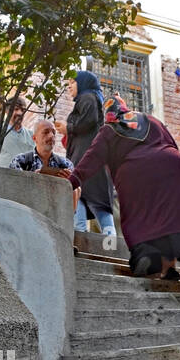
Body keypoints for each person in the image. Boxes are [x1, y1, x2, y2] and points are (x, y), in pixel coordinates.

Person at [70, 94, 180, 279]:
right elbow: (172, 144)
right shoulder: (151, 119)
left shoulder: (109, 130)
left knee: (140, 219)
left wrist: (72, 181)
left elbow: (92, 158)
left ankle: (146, 256)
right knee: (169, 219)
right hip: (172, 167)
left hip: (135, 174)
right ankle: (169, 268)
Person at [66, 70, 116, 237]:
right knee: (98, 206)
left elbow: (87, 122)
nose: (69, 86)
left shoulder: (87, 98)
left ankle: (82, 240)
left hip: (86, 164)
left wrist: (68, 128)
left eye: (72, 82)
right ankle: (110, 244)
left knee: (81, 198)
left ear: (83, 83)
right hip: (92, 164)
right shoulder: (90, 99)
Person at [0, 99, 35, 169]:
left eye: (23, 110)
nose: (20, 113)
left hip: (24, 178)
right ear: (7, 111)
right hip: (0, 177)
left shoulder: (31, 135)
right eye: (16, 109)